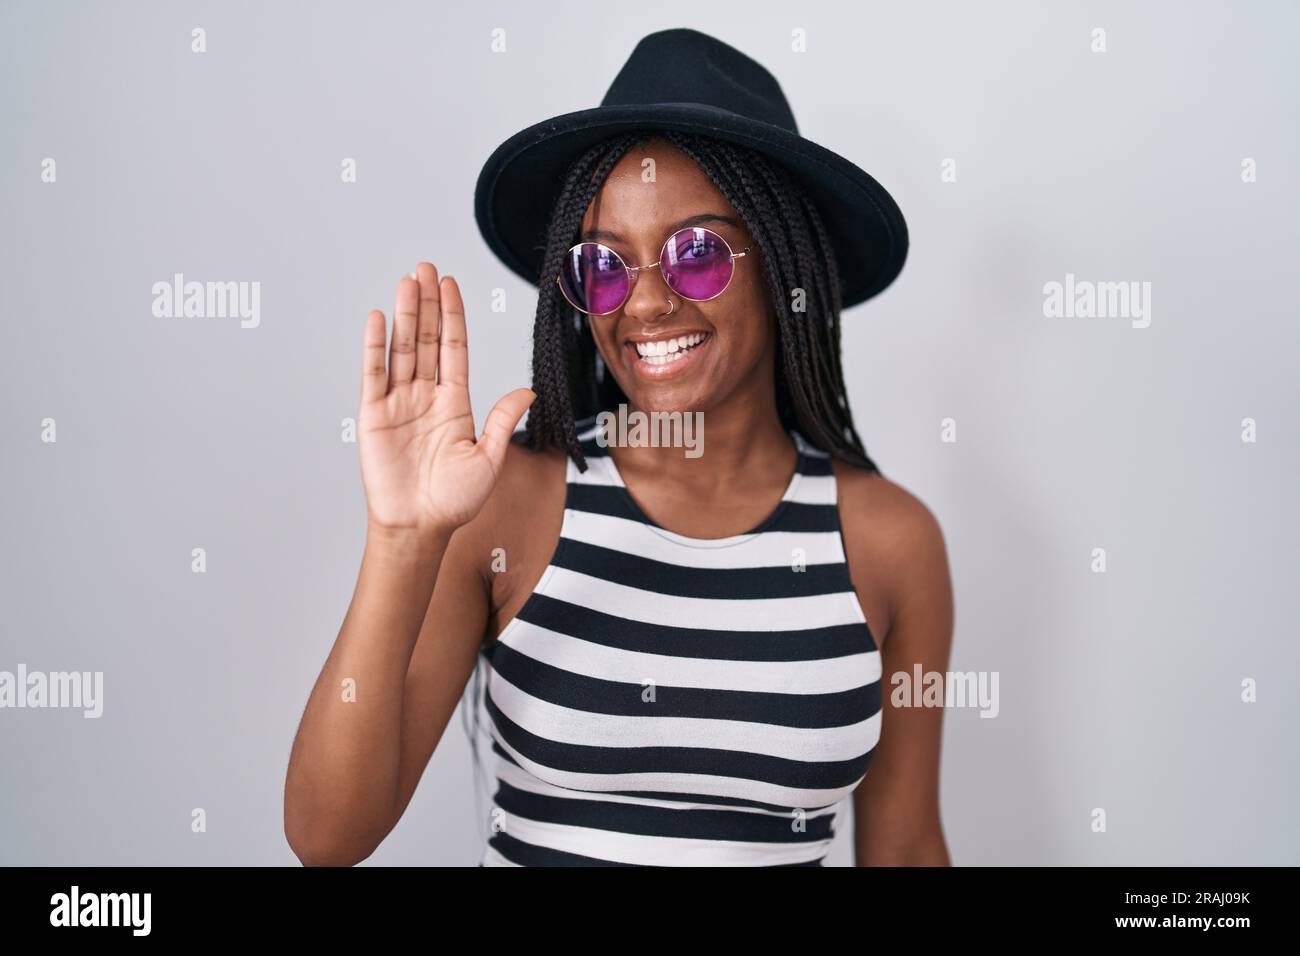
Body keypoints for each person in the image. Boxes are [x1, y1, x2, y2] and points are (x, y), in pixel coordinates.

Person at [284, 28, 953, 867]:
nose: (640, 306)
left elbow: (907, 846)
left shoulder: (890, 542)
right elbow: (327, 837)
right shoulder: (510, 501)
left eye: (697, 254)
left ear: (785, 268)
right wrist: (402, 539)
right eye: (603, 265)